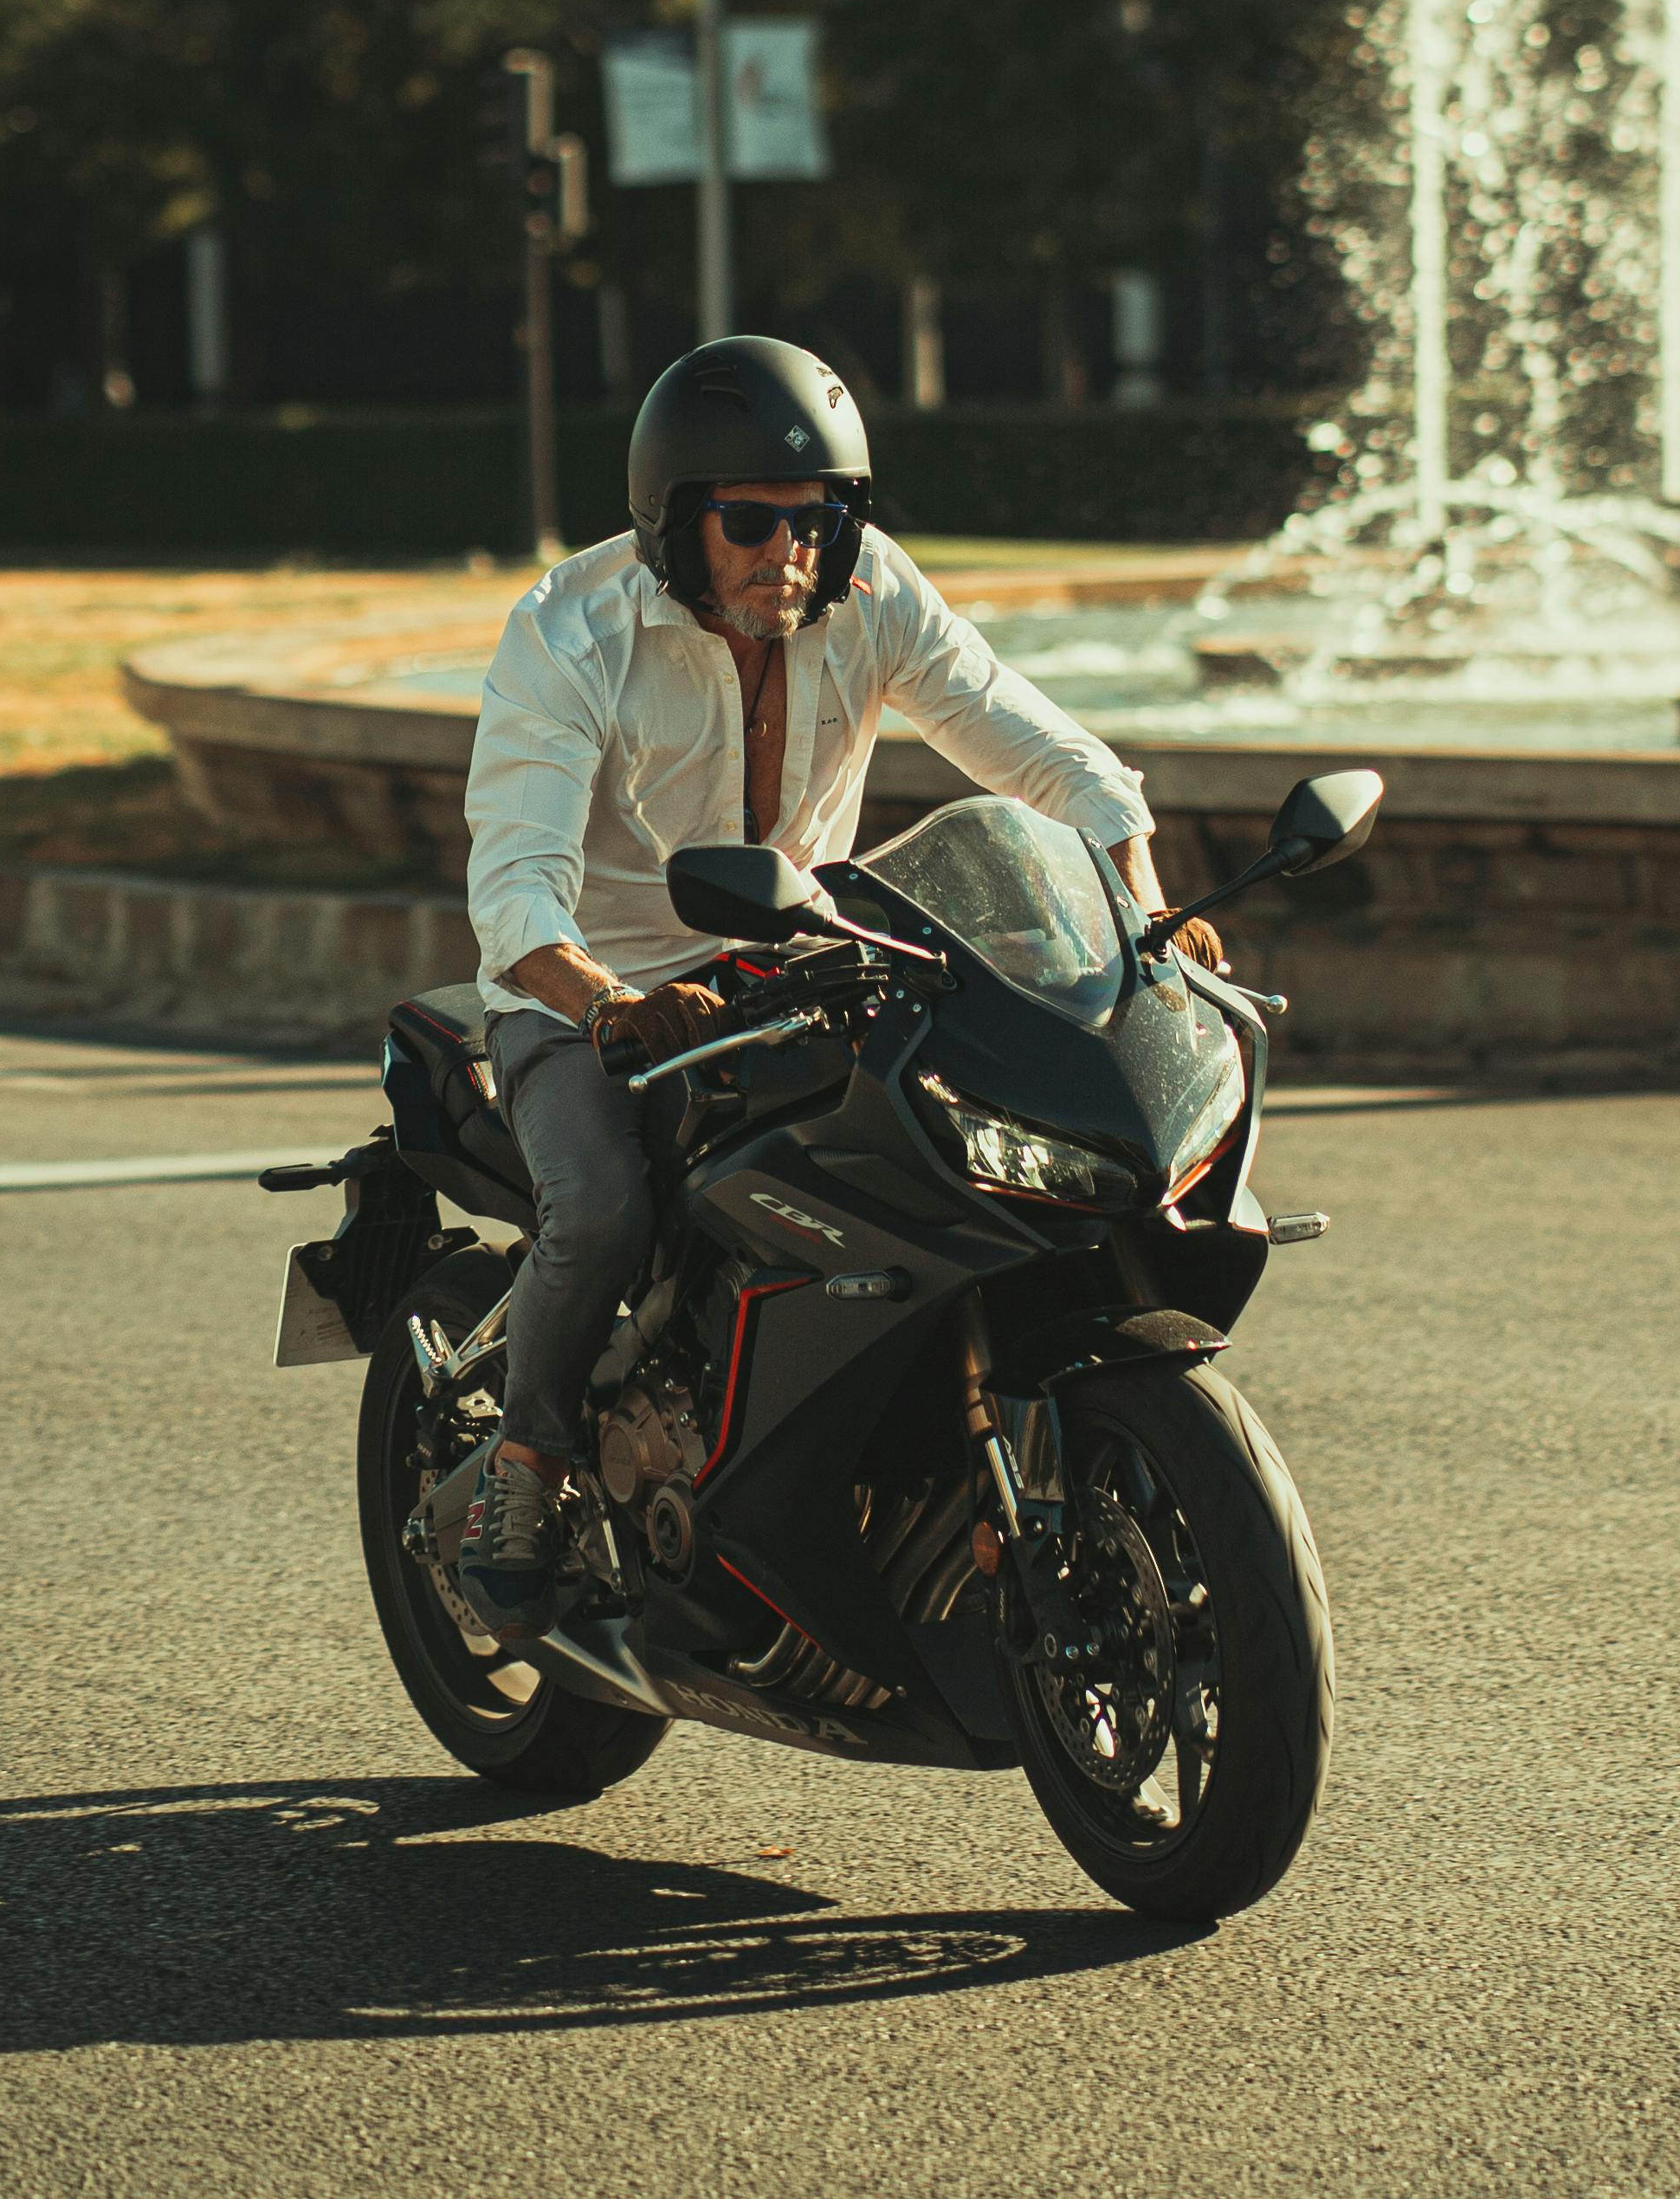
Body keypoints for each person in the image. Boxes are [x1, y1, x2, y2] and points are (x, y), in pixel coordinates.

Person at [456, 334, 1224, 1637]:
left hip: (792, 960)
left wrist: (1141, 908)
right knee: (602, 1207)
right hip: (594, 992)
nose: (788, 552)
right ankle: (523, 1466)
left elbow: (1039, 749)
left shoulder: (870, 597)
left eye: (815, 520)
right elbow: (516, 882)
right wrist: (603, 1003)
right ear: (675, 520)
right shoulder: (570, 630)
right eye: (750, 522)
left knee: (942, 1169)